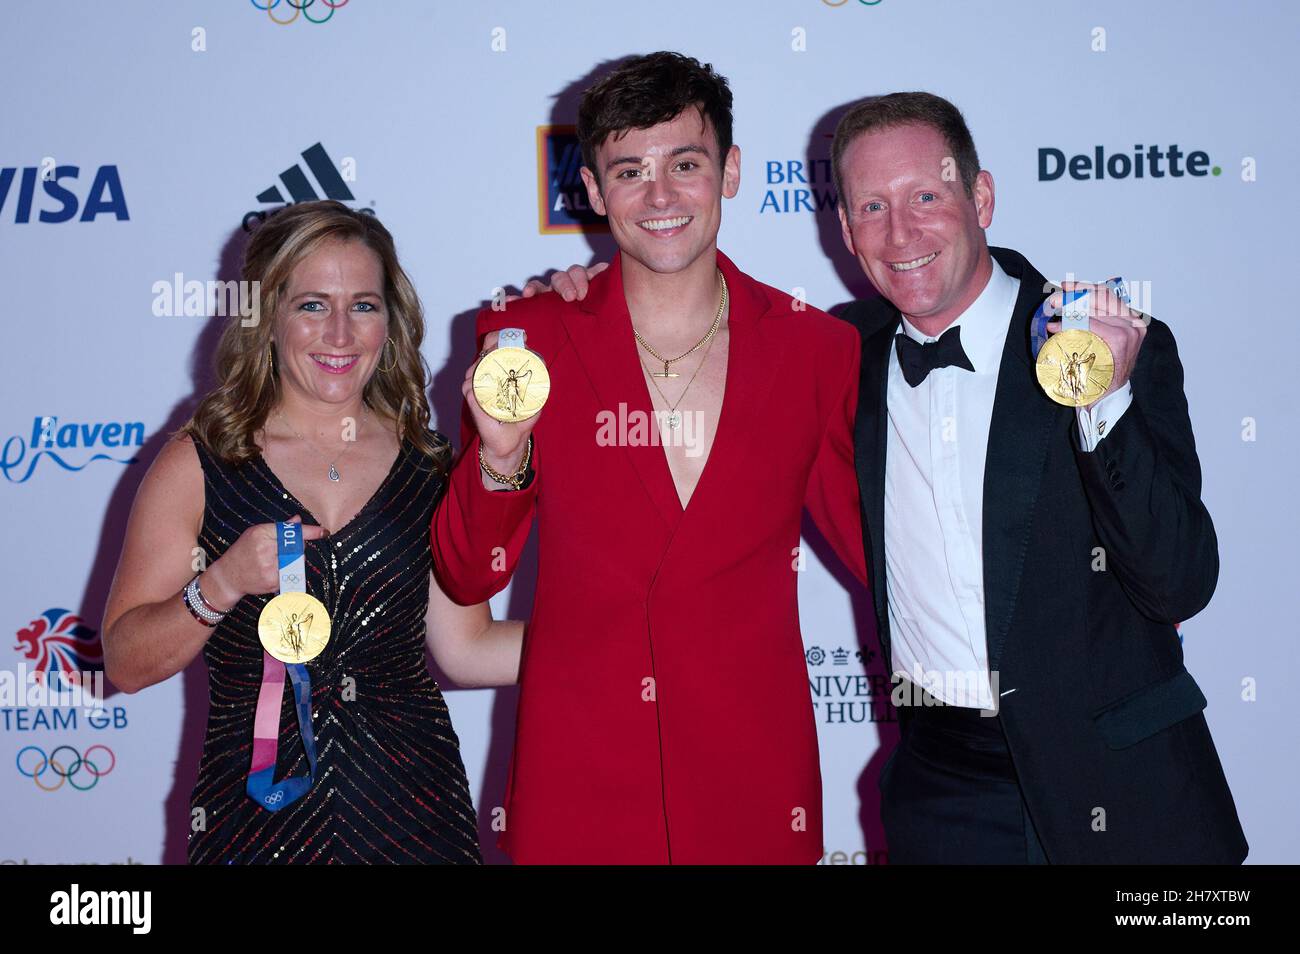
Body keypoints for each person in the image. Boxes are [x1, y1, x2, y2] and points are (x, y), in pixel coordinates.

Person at [540, 91, 1248, 865]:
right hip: (941, 793)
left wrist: (1105, 399)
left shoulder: (1097, 339)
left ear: (980, 197)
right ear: (843, 229)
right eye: (870, 207)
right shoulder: (836, 353)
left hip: (1122, 782)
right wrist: (581, 297)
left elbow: (1181, 583)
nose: (900, 232)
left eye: (925, 197)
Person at [430, 52, 868, 864]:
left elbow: (885, 555)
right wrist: (499, 460)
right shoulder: (527, 339)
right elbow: (468, 572)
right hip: (578, 794)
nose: (660, 196)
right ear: (593, 191)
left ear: (730, 172)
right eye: (630, 170)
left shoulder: (819, 351)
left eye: (685, 164)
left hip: (755, 793)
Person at [103, 200, 522, 864]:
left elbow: (468, 650)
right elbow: (124, 662)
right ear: (267, 319)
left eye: (362, 305)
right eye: (310, 305)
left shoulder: (434, 467)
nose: (339, 333)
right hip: (254, 827)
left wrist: (635, 642)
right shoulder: (201, 461)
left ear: (391, 321)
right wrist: (220, 584)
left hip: (414, 823)